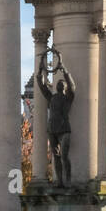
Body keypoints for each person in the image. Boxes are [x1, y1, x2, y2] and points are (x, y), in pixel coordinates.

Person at [36, 50, 75, 187]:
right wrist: (40, 68)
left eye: (62, 84)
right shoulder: (52, 98)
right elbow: (41, 86)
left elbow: (73, 86)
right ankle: (59, 181)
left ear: (64, 88)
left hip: (64, 129)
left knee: (64, 156)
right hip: (52, 128)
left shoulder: (68, 98)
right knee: (56, 157)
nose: (59, 85)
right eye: (58, 83)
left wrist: (64, 69)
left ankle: (68, 181)